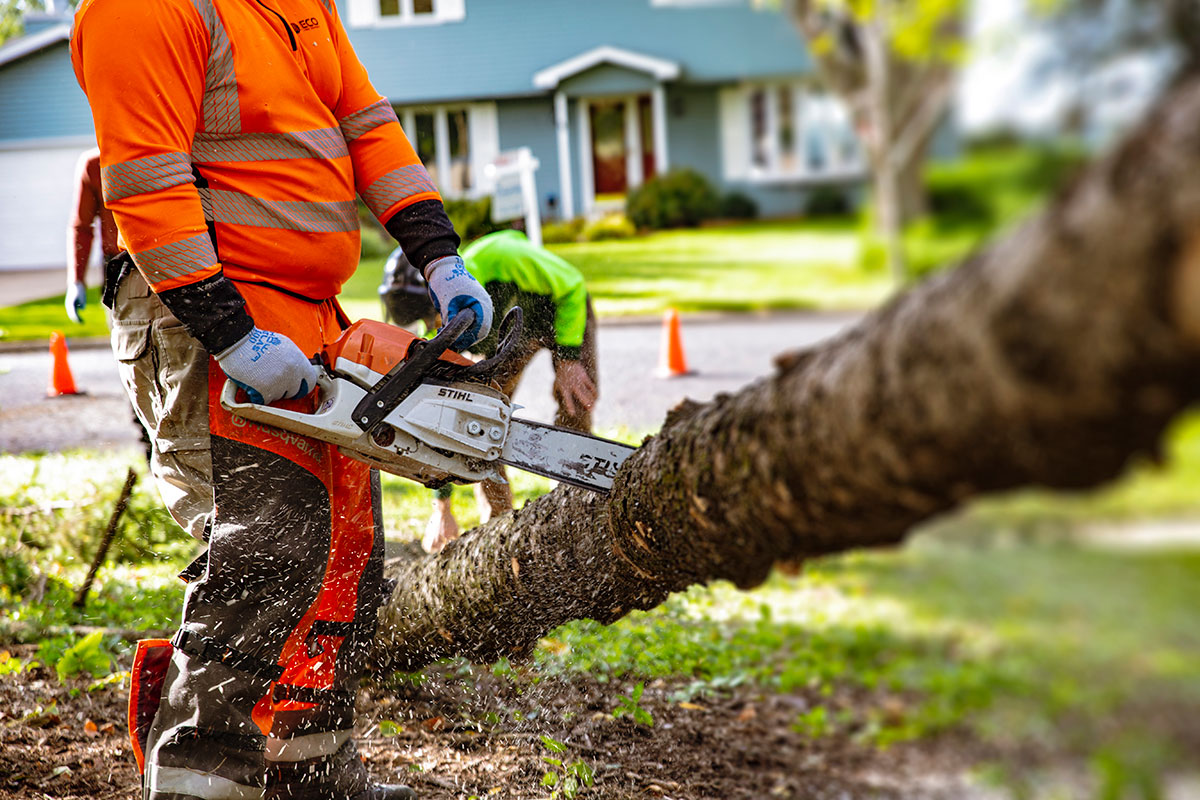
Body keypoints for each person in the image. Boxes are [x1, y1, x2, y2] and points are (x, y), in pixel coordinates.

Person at [70, 1, 493, 799]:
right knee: (267, 545)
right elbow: (148, 182)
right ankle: (200, 775)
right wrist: (230, 335)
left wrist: (439, 256)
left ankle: (312, 774)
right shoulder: (144, 10)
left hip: (307, 310)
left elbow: (367, 126)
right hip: (197, 304)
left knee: (344, 554)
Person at [379, 229, 598, 553]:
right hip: (510, 334)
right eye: (427, 323)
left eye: (433, 317)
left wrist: (568, 358)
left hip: (566, 311)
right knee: (479, 419)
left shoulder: (499, 258)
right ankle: (498, 528)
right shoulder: (436, 327)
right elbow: (444, 416)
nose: (434, 327)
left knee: (575, 401)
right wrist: (442, 506)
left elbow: (572, 285)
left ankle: (579, 504)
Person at [65, 147, 119, 323]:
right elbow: (82, 227)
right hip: (117, 269)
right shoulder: (95, 164)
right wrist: (76, 281)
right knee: (125, 345)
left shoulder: (158, 155)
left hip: (161, 262)